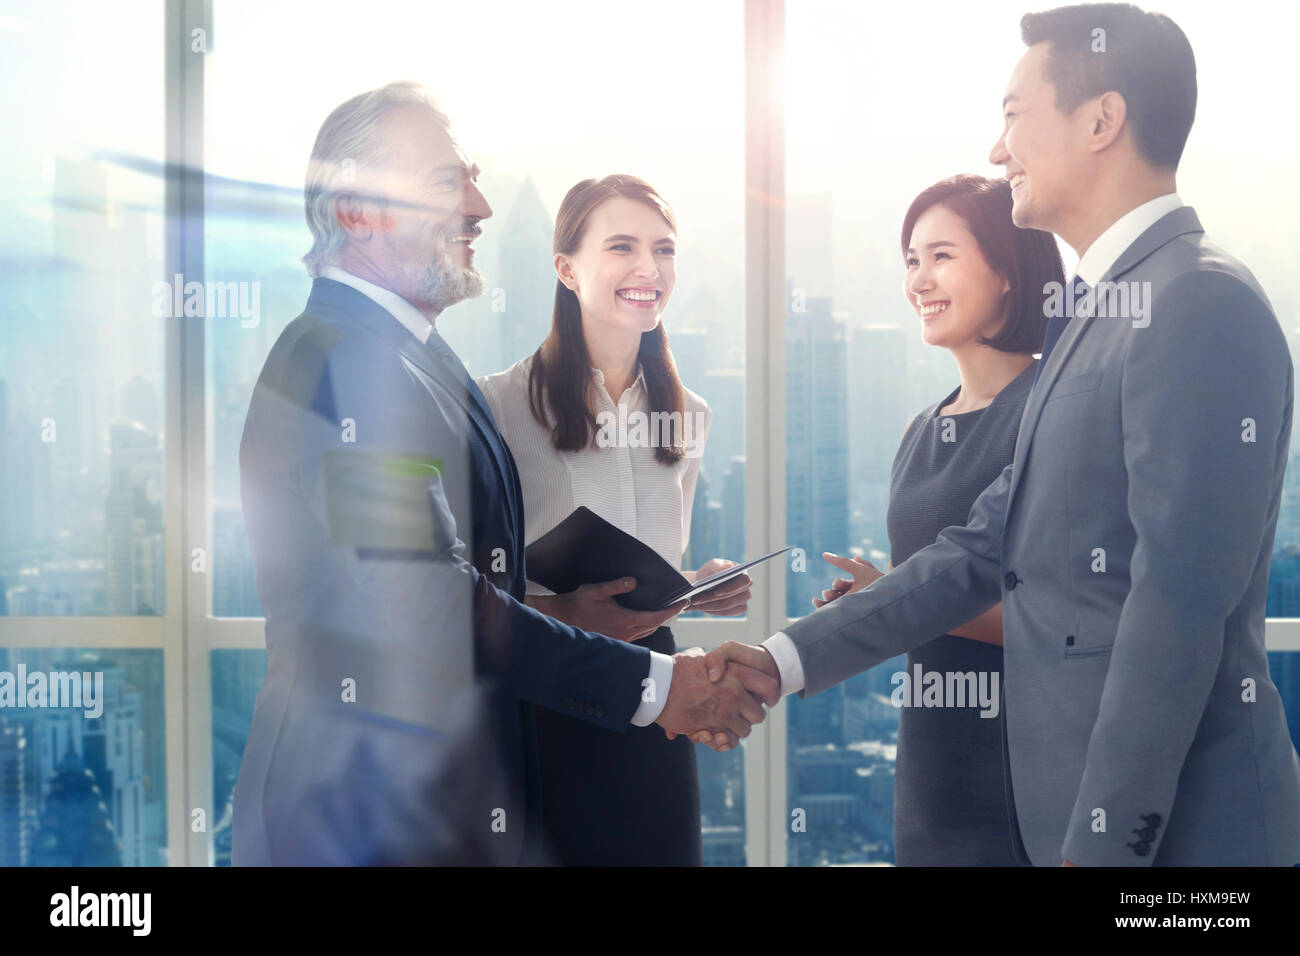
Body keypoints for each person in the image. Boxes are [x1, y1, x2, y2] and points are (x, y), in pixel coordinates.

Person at [707, 3, 1300, 866]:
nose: (997, 149)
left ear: (1102, 121)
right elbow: (983, 547)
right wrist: (778, 661)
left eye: (1014, 116)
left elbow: (1174, 607)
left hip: (1182, 846)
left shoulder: (1196, 302)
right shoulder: (1091, 319)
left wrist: (1102, 847)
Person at [232, 83, 776, 866]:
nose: (480, 206)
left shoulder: (420, 359)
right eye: (446, 183)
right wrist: (658, 689)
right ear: (355, 211)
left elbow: (460, 578)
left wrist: (579, 613)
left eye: (472, 177)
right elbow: (427, 602)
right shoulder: (347, 364)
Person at [478, 174, 751, 865]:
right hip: (549, 694)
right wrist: (564, 609)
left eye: (664, 250)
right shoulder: (498, 408)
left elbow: (647, 569)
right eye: (622, 247)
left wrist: (697, 584)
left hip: (657, 697)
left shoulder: (690, 417)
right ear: (566, 269)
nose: (647, 269)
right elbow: (467, 592)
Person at [815, 174, 1063, 865]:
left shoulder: (1054, 412)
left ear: (1010, 271)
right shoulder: (919, 429)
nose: (919, 280)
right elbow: (925, 602)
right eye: (911, 259)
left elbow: (1067, 621)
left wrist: (894, 597)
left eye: (942, 256)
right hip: (929, 780)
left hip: (1026, 779)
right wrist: (883, 601)